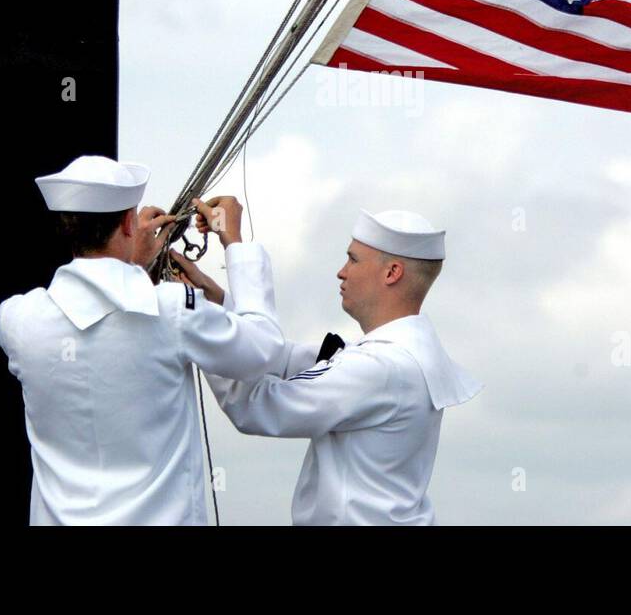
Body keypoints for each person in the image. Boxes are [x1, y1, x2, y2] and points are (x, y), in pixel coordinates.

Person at [0, 155, 282, 525]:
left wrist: (130, 265)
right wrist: (235, 242)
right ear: (129, 223)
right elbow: (264, 350)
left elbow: (92, 309)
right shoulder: (173, 311)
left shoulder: (18, 319)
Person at [180, 206, 481, 525]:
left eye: (353, 259)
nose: (342, 271)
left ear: (392, 272)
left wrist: (192, 320)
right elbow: (283, 360)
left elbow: (255, 407)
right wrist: (212, 300)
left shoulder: (381, 366)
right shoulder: (396, 357)